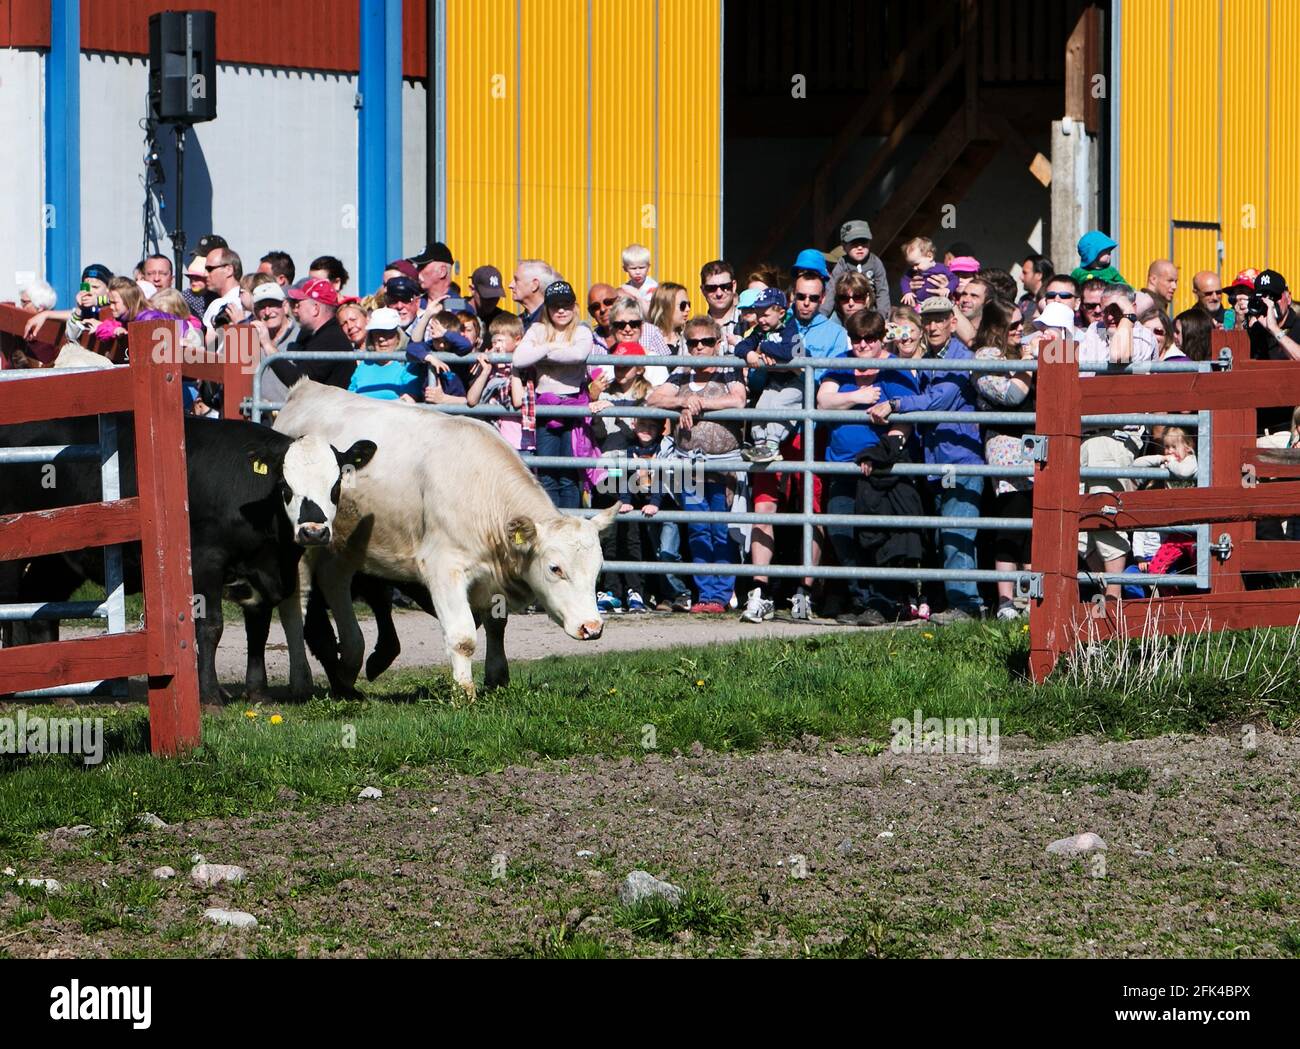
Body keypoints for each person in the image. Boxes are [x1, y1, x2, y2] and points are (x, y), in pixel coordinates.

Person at [868, 295, 984, 623]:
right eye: (928, 320)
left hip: (960, 458)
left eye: (940, 319)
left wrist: (895, 405)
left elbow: (938, 400)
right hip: (940, 458)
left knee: (956, 532)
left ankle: (967, 604)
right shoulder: (934, 356)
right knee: (945, 533)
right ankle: (961, 603)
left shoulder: (960, 358)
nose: (933, 326)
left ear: (952, 322)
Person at [817, 309, 922, 625]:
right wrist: (859, 396)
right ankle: (864, 601)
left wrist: (878, 456)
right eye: (857, 339)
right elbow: (823, 401)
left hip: (879, 473)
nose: (862, 345)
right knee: (840, 532)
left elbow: (904, 423)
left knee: (879, 538)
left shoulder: (895, 371)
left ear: (881, 338)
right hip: (841, 468)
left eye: (870, 339)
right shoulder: (841, 363)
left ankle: (885, 603)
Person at [646, 316, 747, 613]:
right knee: (698, 529)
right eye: (693, 342)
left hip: (724, 466)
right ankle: (705, 594)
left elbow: (738, 401)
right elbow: (653, 399)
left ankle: (721, 592)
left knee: (721, 529)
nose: (700, 347)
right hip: (689, 466)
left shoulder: (729, 371)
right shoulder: (681, 374)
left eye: (706, 341)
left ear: (718, 343)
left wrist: (698, 403)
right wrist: (682, 402)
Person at [974, 299, 1037, 620]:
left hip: (1035, 446)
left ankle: (1029, 600)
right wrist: (1029, 362)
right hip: (1007, 449)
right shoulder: (986, 357)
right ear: (995, 328)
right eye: (1011, 325)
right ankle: (1006, 601)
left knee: (1032, 527)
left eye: (1020, 323)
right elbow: (1011, 395)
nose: (1018, 330)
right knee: (1011, 524)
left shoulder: (1019, 354)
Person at [512, 280, 596, 508]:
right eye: (555, 305)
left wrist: (541, 353)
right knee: (547, 474)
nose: (561, 310)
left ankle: (569, 524)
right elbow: (519, 359)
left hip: (573, 407)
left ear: (574, 306)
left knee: (569, 474)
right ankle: (553, 525)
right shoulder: (538, 329)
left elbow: (578, 355)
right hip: (544, 410)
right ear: (547, 307)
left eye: (566, 305)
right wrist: (550, 347)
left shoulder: (582, 330)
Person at [590, 342, 655, 615]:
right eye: (617, 363)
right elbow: (598, 434)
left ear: (639, 368)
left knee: (633, 533)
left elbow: (647, 432)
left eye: (626, 364)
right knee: (609, 532)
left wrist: (616, 410)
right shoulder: (606, 392)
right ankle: (610, 590)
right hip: (608, 468)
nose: (620, 369)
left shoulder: (647, 395)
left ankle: (635, 590)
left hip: (634, 469)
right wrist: (594, 407)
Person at [734, 287, 803, 463]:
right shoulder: (760, 330)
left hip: (794, 382)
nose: (761, 320)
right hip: (774, 383)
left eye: (765, 314)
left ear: (781, 312)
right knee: (761, 407)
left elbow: (791, 353)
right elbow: (741, 346)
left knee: (778, 405)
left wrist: (762, 347)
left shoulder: (791, 327)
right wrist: (749, 354)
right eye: (758, 315)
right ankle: (759, 444)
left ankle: (772, 445)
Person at [268, 278, 356, 389]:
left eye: (298, 304)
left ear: (315, 309)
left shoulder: (330, 339)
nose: (294, 310)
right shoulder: (318, 335)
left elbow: (300, 383)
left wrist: (269, 348)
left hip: (330, 405)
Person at [466, 312, 526, 450]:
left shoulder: (523, 367)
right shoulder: (491, 368)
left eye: (501, 340)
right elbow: (472, 400)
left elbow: (517, 402)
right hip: (493, 440)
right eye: (494, 341)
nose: (497, 346)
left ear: (517, 340)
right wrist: (486, 370)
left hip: (518, 440)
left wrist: (514, 367)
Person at [346, 308, 426, 401]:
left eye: (387, 333)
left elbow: (408, 401)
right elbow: (350, 397)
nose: (381, 339)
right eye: (376, 333)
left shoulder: (408, 365)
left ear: (398, 336)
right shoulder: (364, 364)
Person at [822, 219, 890, 319]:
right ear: (844, 246)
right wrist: (823, 313)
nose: (859, 247)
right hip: (845, 310)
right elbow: (831, 289)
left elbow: (882, 291)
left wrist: (882, 315)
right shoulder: (842, 263)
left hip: (870, 310)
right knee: (832, 322)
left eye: (864, 242)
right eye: (854, 243)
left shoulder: (875, 262)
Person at [897, 236, 956, 307]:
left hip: (938, 304)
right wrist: (907, 292)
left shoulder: (941, 268)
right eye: (911, 265)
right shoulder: (913, 272)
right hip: (920, 305)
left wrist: (948, 288)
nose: (914, 268)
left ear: (929, 256)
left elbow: (954, 279)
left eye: (917, 264)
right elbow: (904, 280)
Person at [201, 247, 244, 336]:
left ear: (229, 270)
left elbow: (209, 347)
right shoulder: (249, 302)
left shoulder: (218, 305)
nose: (205, 274)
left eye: (209, 269)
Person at [699, 260, 742, 346]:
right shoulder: (694, 329)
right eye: (711, 288)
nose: (719, 293)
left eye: (725, 287)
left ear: (734, 286)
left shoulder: (750, 324)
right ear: (703, 290)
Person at [509, 259, 556, 329]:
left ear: (534, 285)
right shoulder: (517, 323)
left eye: (516, 280)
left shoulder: (554, 321)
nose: (510, 285)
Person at [648, 282, 691, 355]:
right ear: (666, 307)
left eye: (689, 304)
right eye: (683, 305)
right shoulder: (647, 337)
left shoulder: (689, 337)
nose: (688, 309)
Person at [618, 243, 658, 308]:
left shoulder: (653, 288)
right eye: (633, 268)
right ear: (625, 269)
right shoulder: (625, 288)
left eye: (642, 267)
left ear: (648, 267)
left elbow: (649, 311)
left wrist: (636, 295)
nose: (638, 272)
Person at [1018, 254, 1054, 323]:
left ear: (1039, 275)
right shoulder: (1024, 300)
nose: (1021, 277)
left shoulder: (1051, 301)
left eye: (1025, 273)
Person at [587, 282, 620, 347]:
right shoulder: (588, 343)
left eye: (608, 302)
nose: (602, 309)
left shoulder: (643, 334)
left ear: (619, 302)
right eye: (595, 306)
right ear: (591, 313)